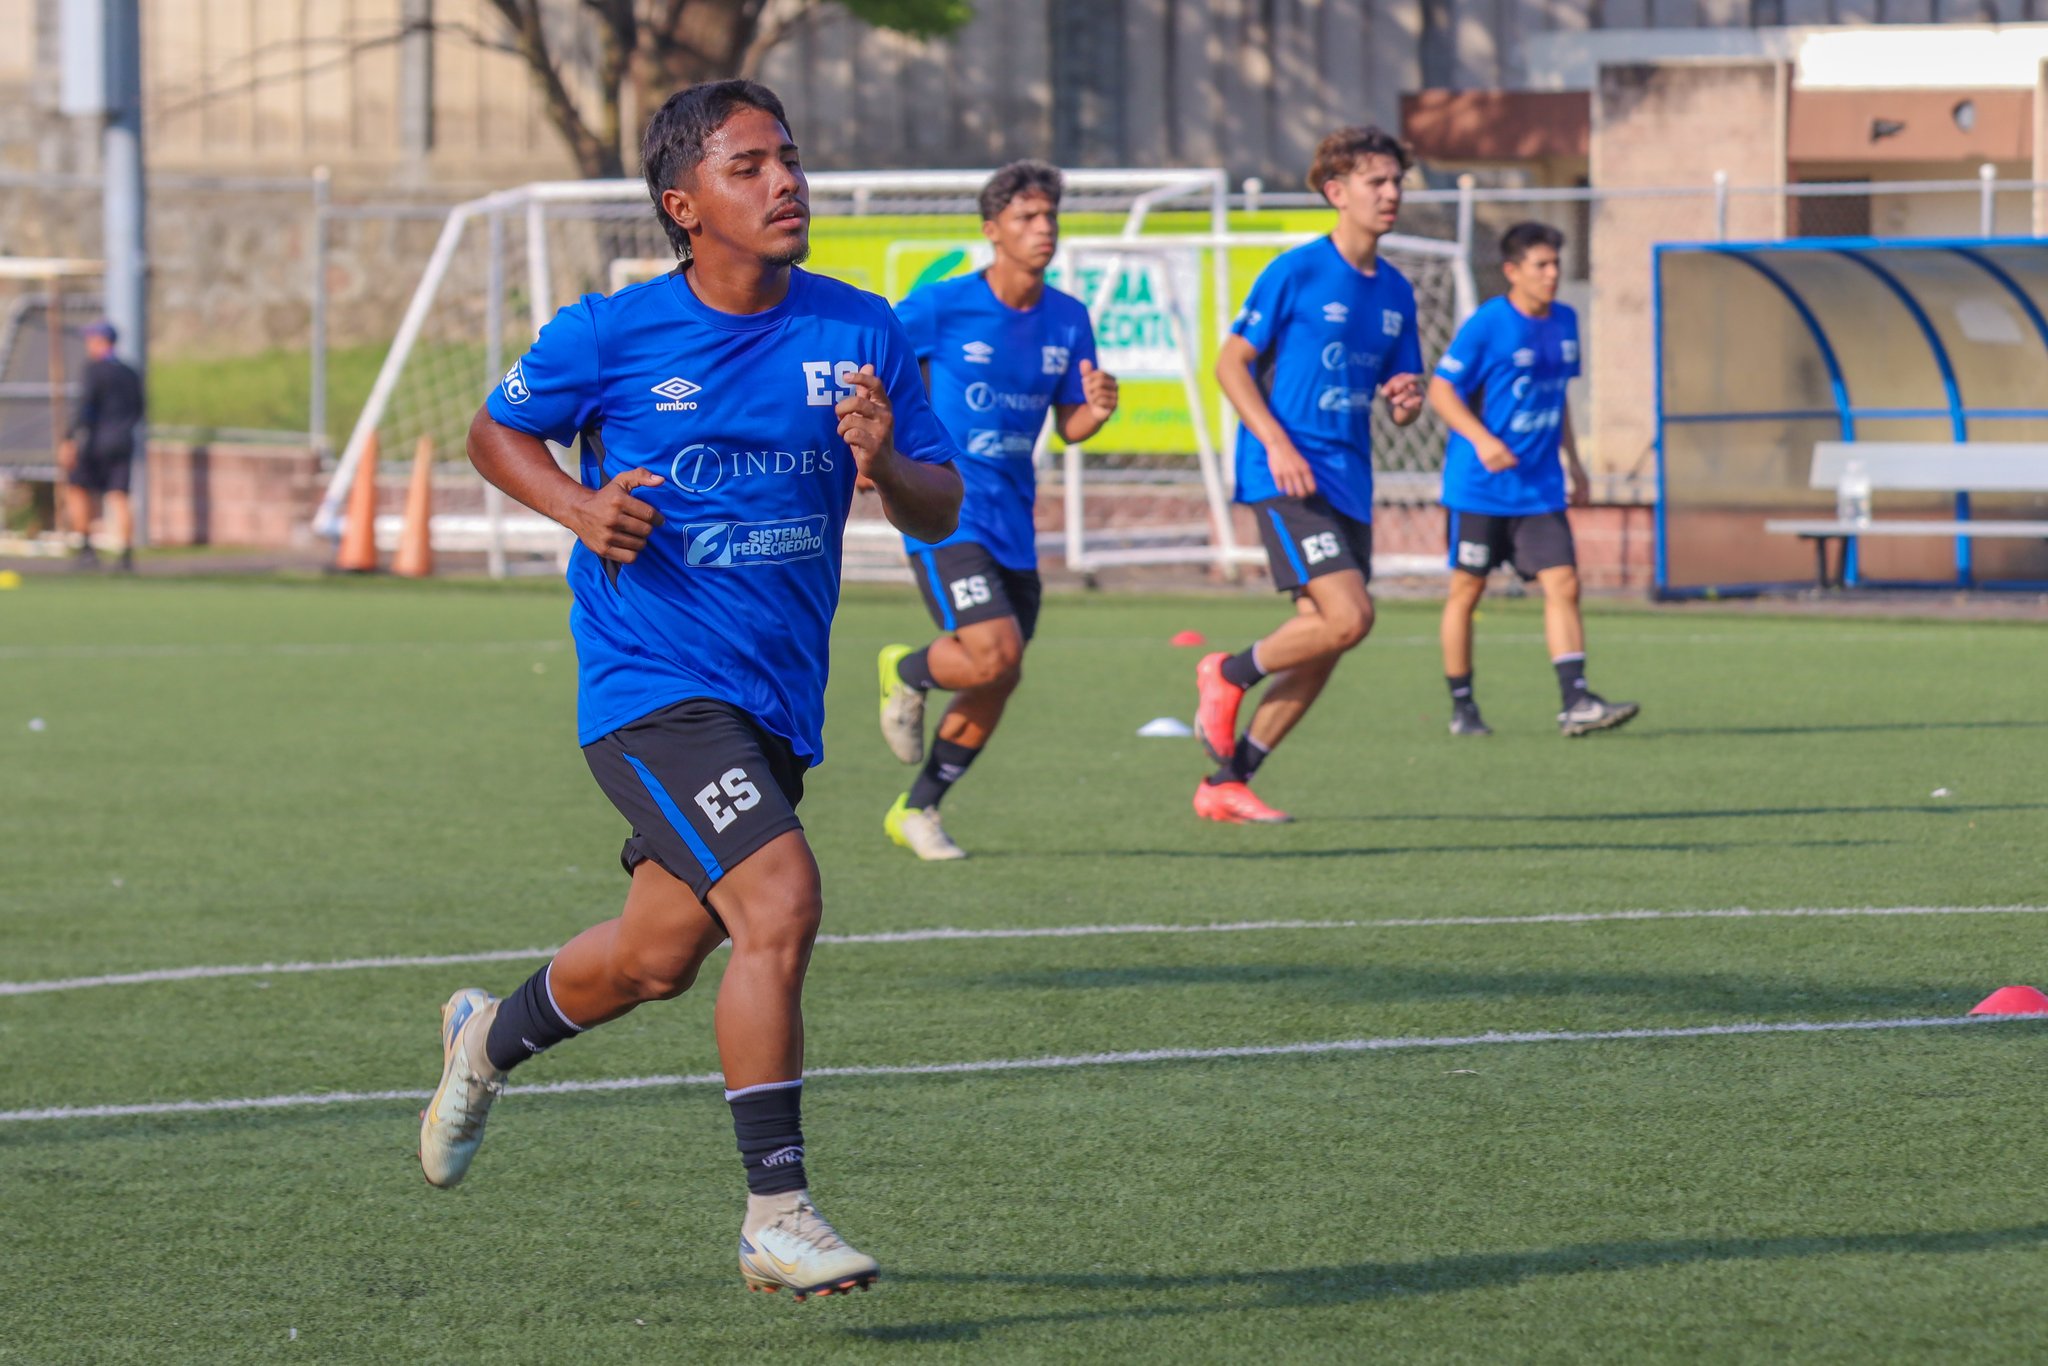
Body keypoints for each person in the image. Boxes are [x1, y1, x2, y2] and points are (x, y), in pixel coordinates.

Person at [419, 80, 962, 1302]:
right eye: (750, 166)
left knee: (658, 959)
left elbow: (942, 503)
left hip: (774, 701)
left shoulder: (861, 329)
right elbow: (494, 432)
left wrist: (883, 465)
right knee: (780, 899)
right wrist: (575, 504)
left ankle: (486, 1037)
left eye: (790, 158)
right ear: (685, 204)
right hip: (650, 685)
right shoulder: (609, 334)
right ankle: (777, 1209)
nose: (786, 183)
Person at [875, 160, 1119, 860]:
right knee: (994, 653)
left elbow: (1071, 424)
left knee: (998, 674)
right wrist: (884, 448)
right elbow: (871, 357)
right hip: (947, 511)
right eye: (1026, 219)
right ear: (992, 232)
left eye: (1049, 218)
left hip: (1015, 522)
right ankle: (908, 669)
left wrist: (1096, 413)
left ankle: (917, 809)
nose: (1043, 230)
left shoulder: (1069, 318)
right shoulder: (943, 305)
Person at [1192, 126, 1424, 824]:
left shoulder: (1397, 292)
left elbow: (1403, 391)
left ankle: (1226, 782)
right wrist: (1278, 445)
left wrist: (1406, 400)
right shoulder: (1294, 271)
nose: (1390, 194)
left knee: (1326, 641)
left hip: (1349, 481)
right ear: (1336, 192)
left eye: (1396, 182)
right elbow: (1231, 364)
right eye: (1375, 182)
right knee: (1351, 617)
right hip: (1286, 474)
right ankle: (1225, 672)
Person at [1430, 222, 1638, 738]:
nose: (1552, 275)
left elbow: (1557, 396)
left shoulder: (1565, 321)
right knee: (1466, 591)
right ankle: (1463, 706)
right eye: (1540, 266)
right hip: (1480, 488)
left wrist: (1576, 461)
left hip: (1540, 486)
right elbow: (1441, 391)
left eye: (1555, 265)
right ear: (1512, 272)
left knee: (1564, 583)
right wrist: (1482, 439)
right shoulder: (1487, 324)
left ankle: (1576, 700)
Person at [60, 320, 144, 572]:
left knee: (77, 488)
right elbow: (140, 408)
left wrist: (69, 438)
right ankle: (126, 555)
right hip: (123, 440)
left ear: (100, 341)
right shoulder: (130, 372)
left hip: (97, 441)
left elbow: (85, 406)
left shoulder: (94, 369)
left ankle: (87, 549)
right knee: (120, 494)